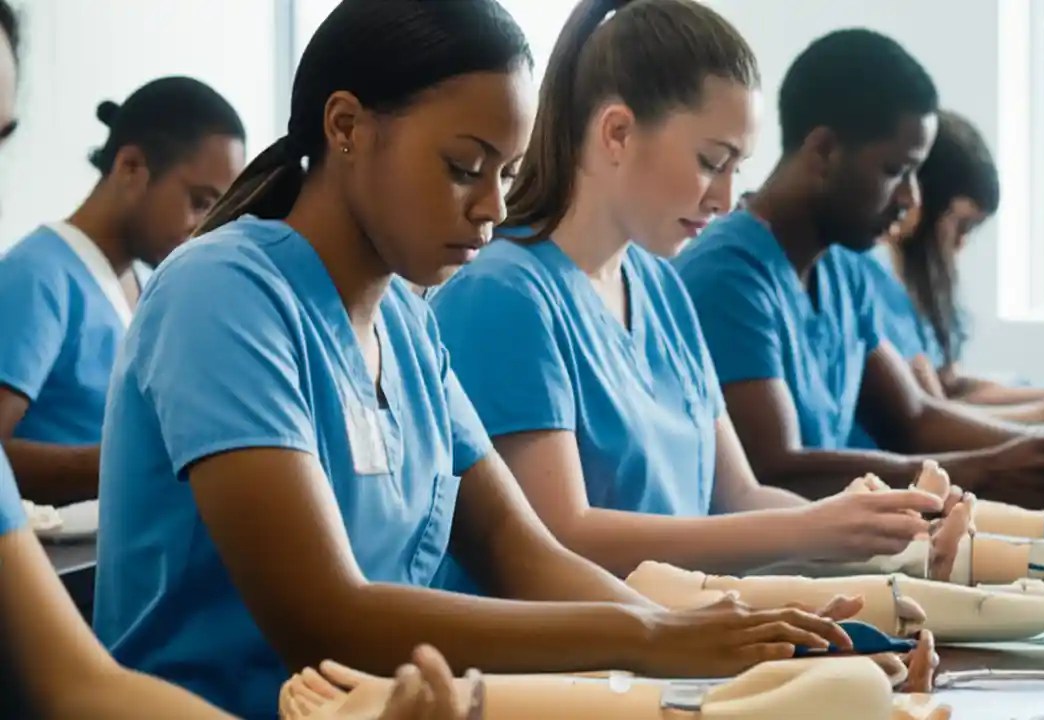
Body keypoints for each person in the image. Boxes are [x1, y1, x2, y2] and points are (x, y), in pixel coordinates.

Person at [92, 2, 850, 718]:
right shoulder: (222, 293)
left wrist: (714, 647)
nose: (491, 206)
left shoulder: (405, 324)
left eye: (507, 175)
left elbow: (516, 548)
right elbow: (326, 616)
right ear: (347, 126)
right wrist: (652, 639)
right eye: (464, 166)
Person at [430, 0, 942, 579]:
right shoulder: (503, 296)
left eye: (735, 170)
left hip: (674, 647)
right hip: (558, 664)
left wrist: (892, 541)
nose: (724, 200)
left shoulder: (660, 289)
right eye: (710, 162)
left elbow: (740, 498)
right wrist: (813, 528)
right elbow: (562, 537)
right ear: (617, 133)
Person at [674, 29, 1044, 513]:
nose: (909, 199)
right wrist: (994, 469)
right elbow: (776, 469)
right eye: (896, 171)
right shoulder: (728, 274)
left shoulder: (844, 266)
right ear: (823, 151)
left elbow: (916, 418)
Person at [0, 76, 246, 505]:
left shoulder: (149, 286)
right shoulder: (37, 275)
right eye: (200, 202)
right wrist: (137, 461)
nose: (205, 229)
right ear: (130, 167)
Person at [866, 109, 1044, 425]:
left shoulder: (922, 297)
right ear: (920, 204)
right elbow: (935, 411)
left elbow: (955, 385)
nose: (961, 245)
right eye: (961, 226)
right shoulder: (873, 289)